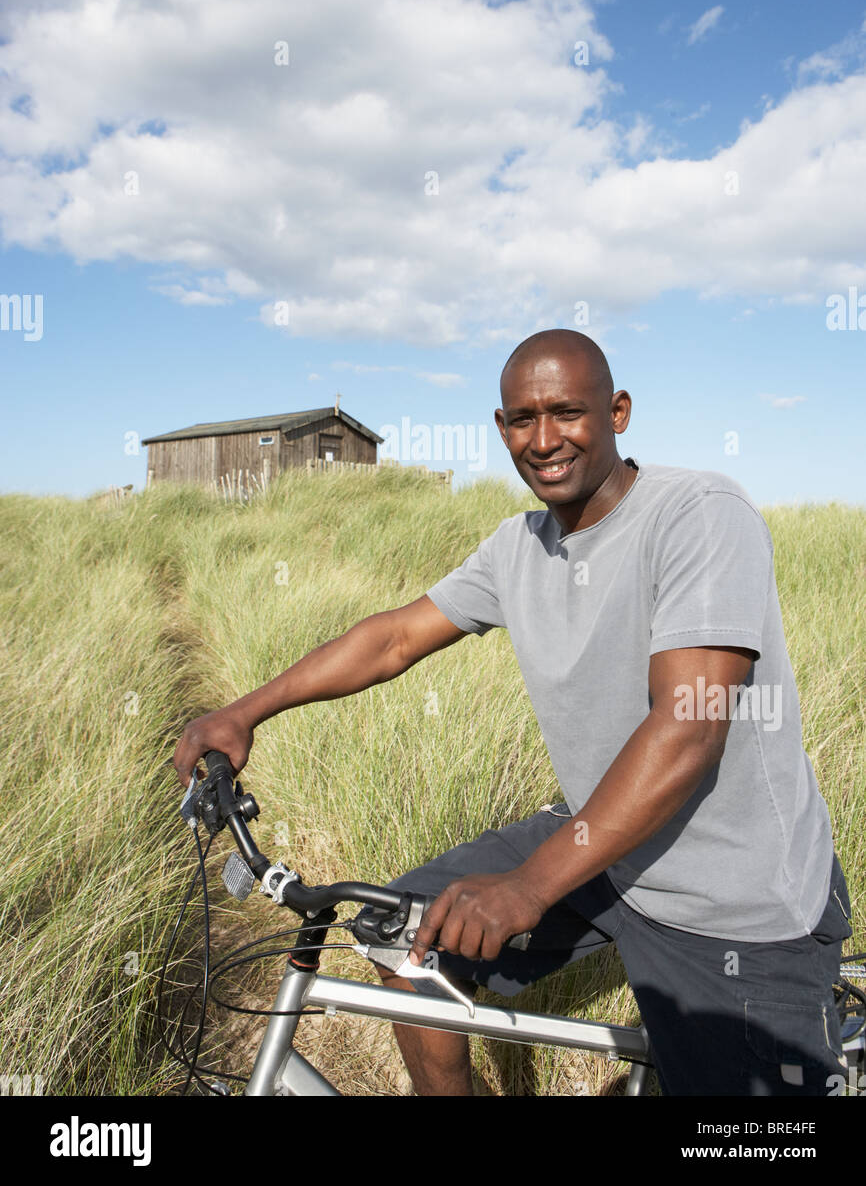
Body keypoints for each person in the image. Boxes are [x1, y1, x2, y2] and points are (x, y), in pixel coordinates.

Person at [173, 329, 852, 1097]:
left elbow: (689, 725)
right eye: (522, 419)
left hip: (733, 895)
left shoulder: (699, 513)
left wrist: (530, 887)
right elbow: (394, 637)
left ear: (618, 411)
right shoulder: (518, 545)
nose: (544, 439)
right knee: (407, 946)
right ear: (501, 429)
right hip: (601, 839)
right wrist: (246, 710)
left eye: (567, 412)